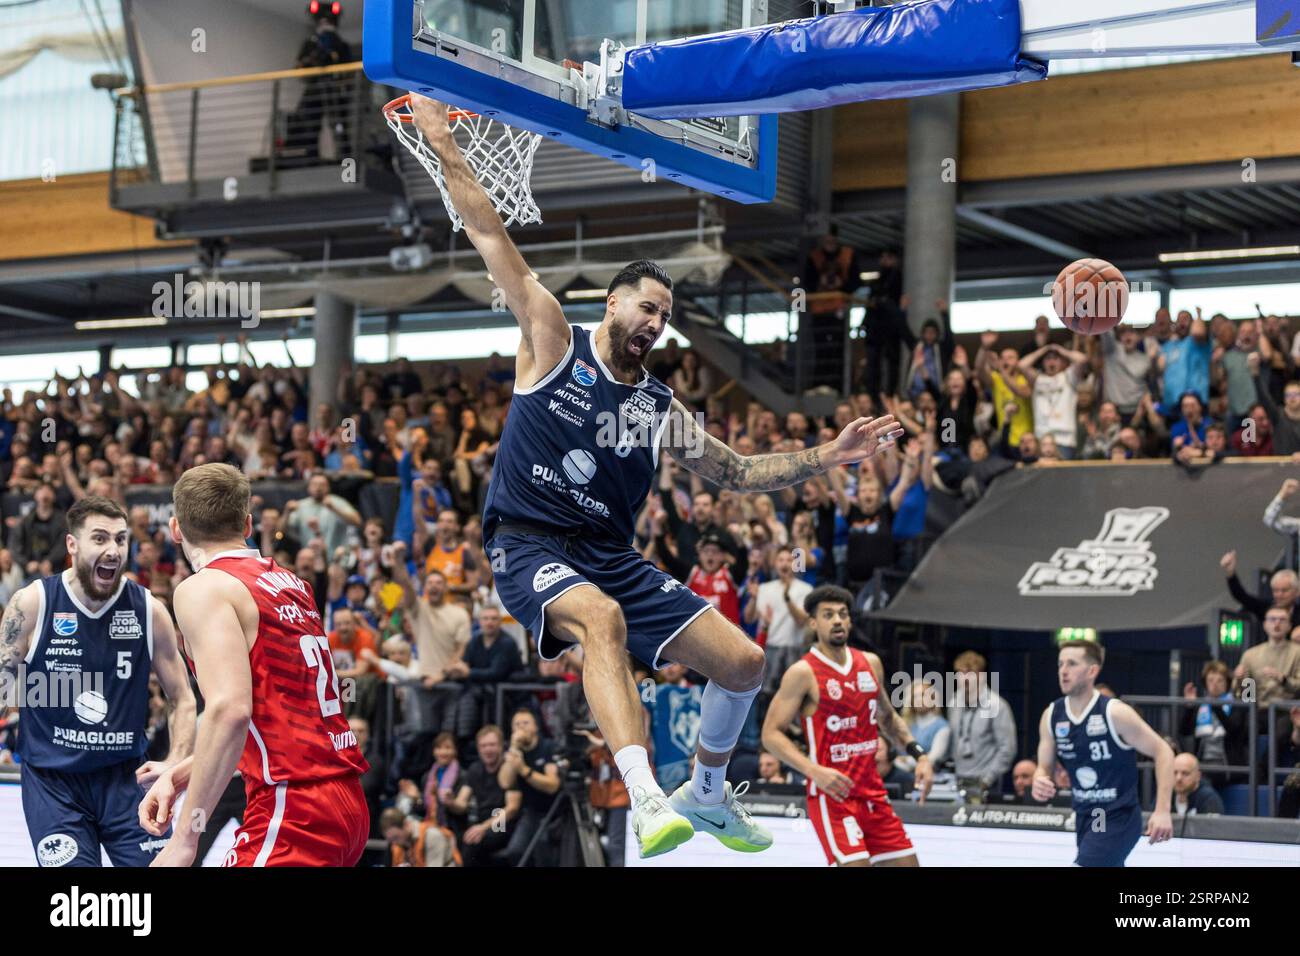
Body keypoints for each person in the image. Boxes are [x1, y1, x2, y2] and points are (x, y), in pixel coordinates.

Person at [406, 93, 903, 860]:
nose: (654, 323)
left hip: (608, 555)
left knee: (742, 663)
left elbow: (735, 470)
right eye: (646, 307)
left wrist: (825, 457)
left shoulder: (656, 404)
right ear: (611, 303)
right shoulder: (549, 337)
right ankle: (643, 794)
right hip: (530, 547)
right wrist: (445, 143)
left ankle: (705, 795)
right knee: (599, 620)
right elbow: (485, 229)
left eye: (665, 317)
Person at [139, 464, 369, 866]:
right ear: (247, 523)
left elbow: (230, 711)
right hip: (343, 799)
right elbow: (271, 721)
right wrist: (178, 775)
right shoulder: (292, 583)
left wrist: (184, 839)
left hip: (293, 807)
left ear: (176, 529)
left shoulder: (203, 588)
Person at [0, 496, 196, 867]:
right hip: (53, 783)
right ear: (72, 545)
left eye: (121, 540)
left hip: (126, 780)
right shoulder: (33, 603)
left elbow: (182, 698)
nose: (113, 550)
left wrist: (174, 760)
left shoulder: (149, 610)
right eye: (100, 538)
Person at [761, 585, 932, 866]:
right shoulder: (802, 672)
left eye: (842, 614)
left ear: (850, 621)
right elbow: (770, 734)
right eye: (828, 615)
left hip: (873, 794)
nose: (838, 620)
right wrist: (813, 771)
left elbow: (888, 718)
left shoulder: (870, 663)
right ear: (814, 623)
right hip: (834, 796)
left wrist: (919, 754)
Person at [1032, 641, 1174, 867]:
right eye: (1060, 664)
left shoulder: (1115, 712)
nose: (1063, 670)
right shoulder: (1052, 715)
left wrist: (1163, 810)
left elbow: (1163, 751)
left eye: (1071, 664)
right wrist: (1039, 779)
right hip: (1086, 815)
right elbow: (1043, 767)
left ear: (1092, 671)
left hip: (1118, 815)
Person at [443, 724, 520, 867]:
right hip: (482, 820)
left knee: (474, 842)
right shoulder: (475, 769)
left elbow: (512, 808)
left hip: (502, 822)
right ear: (478, 749)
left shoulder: (508, 768)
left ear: (501, 746)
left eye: (492, 745)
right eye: (483, 746)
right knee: (457, 839)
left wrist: (483, 827)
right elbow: (461, 804)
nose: (488, 749)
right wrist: (451, 801)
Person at [496, 708, 562, 865]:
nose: (521, 727)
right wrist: (513, 748)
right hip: (530, 811)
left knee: (543, 848)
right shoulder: (515, 750)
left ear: (536, 727)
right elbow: (505, 782)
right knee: (515, 851)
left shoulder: (548, 747)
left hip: (555, 811)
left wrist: (524, 770)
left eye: (525, 723)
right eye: (516, 724)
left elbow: (552, 785)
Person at [947, 650, 1017, 796]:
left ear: (981, 676)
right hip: (957, 779)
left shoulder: (996, 705)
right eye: (960, 673)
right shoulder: (953, 702)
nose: (964, 678)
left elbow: (1007, 749)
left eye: (969, 673)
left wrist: (987, 780)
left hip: (986, 782)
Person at [745, 546, 813, 695]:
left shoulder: (806, 589)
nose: (785, 564)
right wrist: (753, 599)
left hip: (794, 651)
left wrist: (787, 597)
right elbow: (749, 618)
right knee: (765, 698)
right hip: (769, 650)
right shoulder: (764, 588)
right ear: (775, 563)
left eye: (789, 560)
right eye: (781, 560)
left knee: (794, 696)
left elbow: (802, 620)